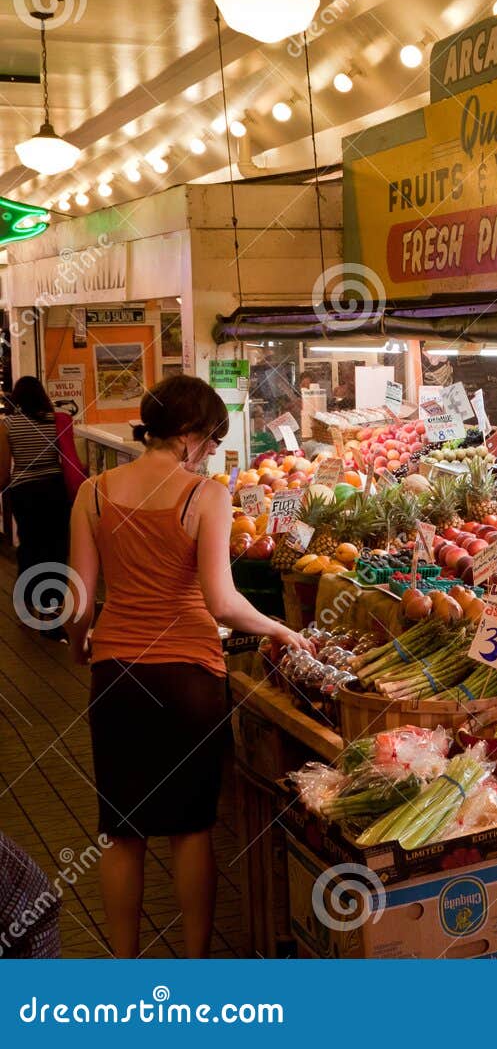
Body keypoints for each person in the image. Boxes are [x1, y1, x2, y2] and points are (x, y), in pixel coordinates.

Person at [66, 374, 310, 958]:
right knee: (190, 828)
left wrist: (80, 647)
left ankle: (125, 966)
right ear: (189, 435)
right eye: (211, 442)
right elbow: (221, 602)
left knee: (121, 831)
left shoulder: (92, 494)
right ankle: (194, 968)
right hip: (190, 680)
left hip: (118, 677)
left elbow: (77, 601)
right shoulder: (206, 496)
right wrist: (280, 629)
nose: (209, 454)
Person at [0, 377, 73, 629]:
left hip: (25, 491)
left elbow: (3, 472)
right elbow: (68, 456)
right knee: (56, 544)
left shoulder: (7, 425)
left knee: (30, 544)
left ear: (17, 398)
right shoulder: (58, 420)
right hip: (55, 488)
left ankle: (29, 601)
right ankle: (53, 602)